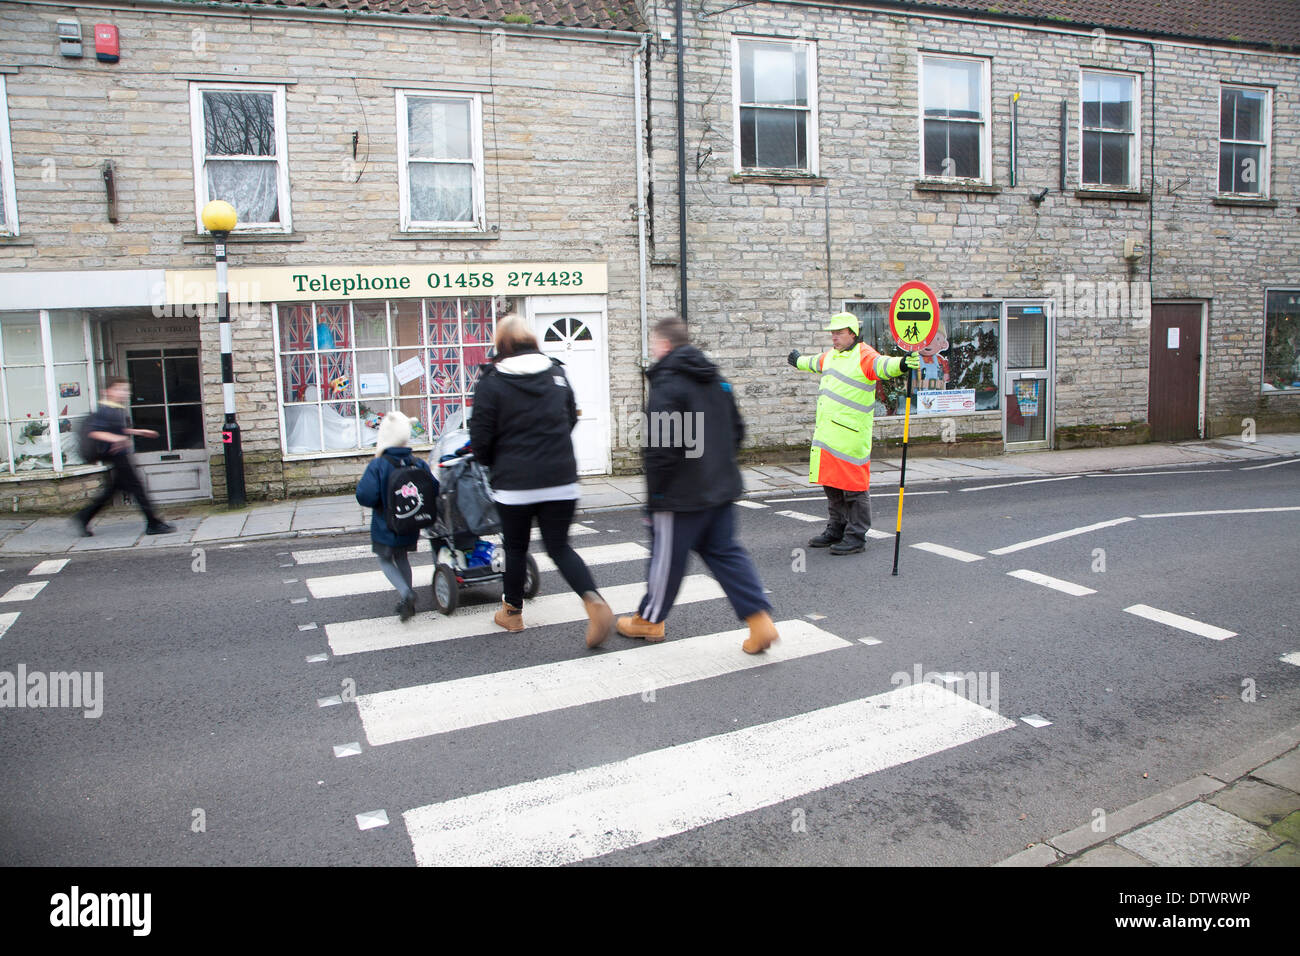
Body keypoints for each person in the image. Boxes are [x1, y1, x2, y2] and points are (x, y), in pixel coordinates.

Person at [616, 318, 778, 654]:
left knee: (666, 559)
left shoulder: (668, 383)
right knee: (726, 554)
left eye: (653, 344)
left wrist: (656, 496)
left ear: (664, 345)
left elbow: (660, 447)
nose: (652, 351)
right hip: (720, 487)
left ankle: (649, 620)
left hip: (681, 494)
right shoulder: (716, 380)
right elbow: (737, 430)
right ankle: (760, 621)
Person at [469, 315, 613, 648]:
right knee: (560, 547)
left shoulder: (492, 381)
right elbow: (569, 418)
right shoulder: (556, 373)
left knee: (516, 548)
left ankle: (512, 612)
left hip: (514, 483)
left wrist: (493, 464)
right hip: (560, 478)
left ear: (501, 345)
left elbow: (480, 438)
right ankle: (594, 601)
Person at [787, 312, 919, 555]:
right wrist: (797, 360)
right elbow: (813, 361)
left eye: (839, 333)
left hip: (849, 438)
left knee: (854, 490)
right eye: (832, 333)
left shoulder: (865, 355)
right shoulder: (832, 356)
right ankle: (836, 529)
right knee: (832, 486)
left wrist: (902, 363)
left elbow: (883, 365)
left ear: (852, 333)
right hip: (828, 438)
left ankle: (856, 536)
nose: (834, 337)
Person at [355, 410, 434, 622]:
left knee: (384, 559)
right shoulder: (417, 463)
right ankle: (407, 597)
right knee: (402, 557)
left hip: (385, 525)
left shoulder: (379, 465)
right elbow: (433, 487)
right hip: (410, 524)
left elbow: (365, 496)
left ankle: (407, 594)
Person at [73, 377, 175, 537]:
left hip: (119, 455)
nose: (124, 393)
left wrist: (138, 432)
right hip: (117, 456)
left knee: (113, 491)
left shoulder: (116, 409)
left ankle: (83, 516)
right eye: (119, 389)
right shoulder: (106, 410)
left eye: (125, 390)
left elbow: (117, 430)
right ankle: (154, 524)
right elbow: (94, 431)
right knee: (138, 488)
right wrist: (117, 439)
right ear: (106, 392)